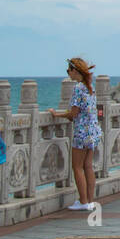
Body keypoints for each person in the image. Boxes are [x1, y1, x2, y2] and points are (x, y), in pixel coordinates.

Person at [48, 57, 102, 211]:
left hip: (81, 132)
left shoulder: (78, 88)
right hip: (93, 131)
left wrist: (56, 114)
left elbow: (73, 113)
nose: (68, 73)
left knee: (77, 167)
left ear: (75, 71)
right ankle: (90, 201)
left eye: (68, 70)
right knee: (88, 166)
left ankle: (83, 201)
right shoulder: (90, 86)